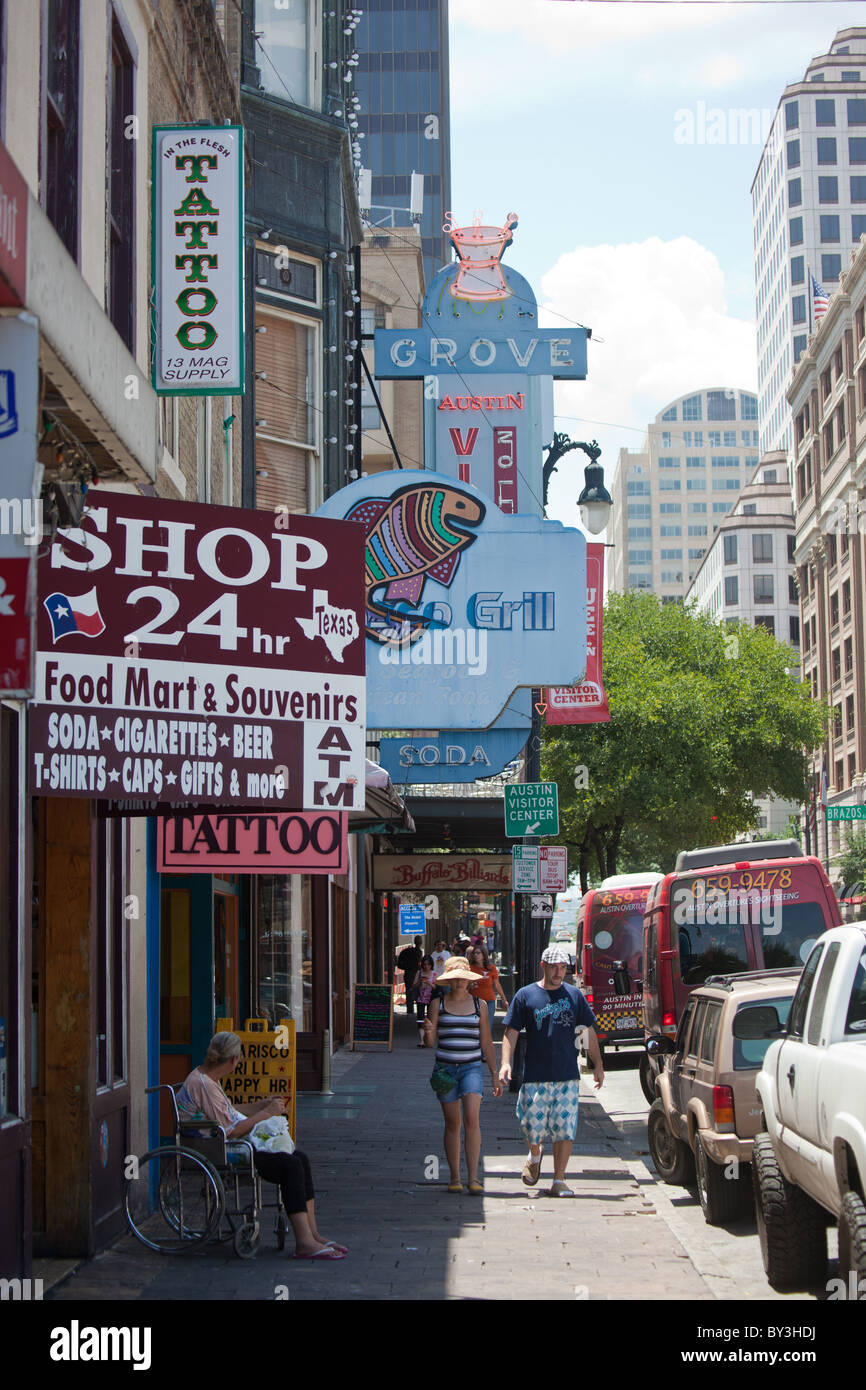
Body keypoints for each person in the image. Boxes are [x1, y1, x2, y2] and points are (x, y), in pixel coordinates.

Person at [178, 1032, 347, 1260]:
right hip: (221, 1149)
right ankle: (304, 1241)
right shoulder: (204, 1085)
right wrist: (267, 1113)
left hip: (227, 1141)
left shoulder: (207, 1078)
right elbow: (232, 1130)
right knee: (290, 1166)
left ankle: (312, 1233)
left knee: (300, 1159)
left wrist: (262, 1104)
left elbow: (230, 1111)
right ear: (233, 1060)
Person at [499, 945, 604, 1198]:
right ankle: (535, 1153)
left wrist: (598, 1064)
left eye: (563, 968)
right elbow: (510, 1031)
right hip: (535, 1073)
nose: (559, 972)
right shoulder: (525, 996)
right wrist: (505, 1062)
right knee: (530, 1126)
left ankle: (559, 1179)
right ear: (543, 965)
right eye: (554, 967)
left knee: (564, 1129)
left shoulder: (574, 995)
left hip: (566, 1074)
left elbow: (588, 1031)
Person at [423, 956, 502, 1194]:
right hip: (445, 1069)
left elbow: (486, 1042)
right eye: (455, 978)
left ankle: (474, 1178)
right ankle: (455, 1177)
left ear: (469, 980)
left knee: (471, 1119)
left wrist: (494, 1074)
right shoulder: (438, 1004)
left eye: (463, 978)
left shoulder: (480, 1006)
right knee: (452, 1123)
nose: (459, 982)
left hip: (472, 1068)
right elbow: (430, 1043)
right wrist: (427, 1031)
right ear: (449, 980)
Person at [467, 944, 509, 1031]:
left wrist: (504, 999)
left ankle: (485, 1044)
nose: (475, 955)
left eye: (478, 953)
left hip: (489, 1001)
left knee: (487, 1027)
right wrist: (470, 985)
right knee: (474, 1026)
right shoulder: (470, 968)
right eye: (474, 953)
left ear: (484, 955)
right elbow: (465, 985)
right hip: (474, 1001)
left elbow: (497, 985)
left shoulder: (492, 968)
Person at [397, 935, 424, 1017]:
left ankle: (410, 1009)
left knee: (409, 991)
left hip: (408, 973)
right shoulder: (418, 952)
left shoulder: (408, 951)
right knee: (417, 991)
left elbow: (399, 963)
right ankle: (417, 1010)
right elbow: (419, 964)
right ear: (420, 943)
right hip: (415, 973)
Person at [415, 954, 437, 1046]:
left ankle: (428, 1038)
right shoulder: (419, 973)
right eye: (424, 964)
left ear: (431, 965)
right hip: (420, 998)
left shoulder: (434, 974)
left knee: (429, 1019)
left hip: (430, 998)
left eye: (428, 964)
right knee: (420, 1019)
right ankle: (421, 1040)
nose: (426, 966)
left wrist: (429, 983)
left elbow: (436, 987)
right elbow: (414, 985)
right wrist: (420, 982)